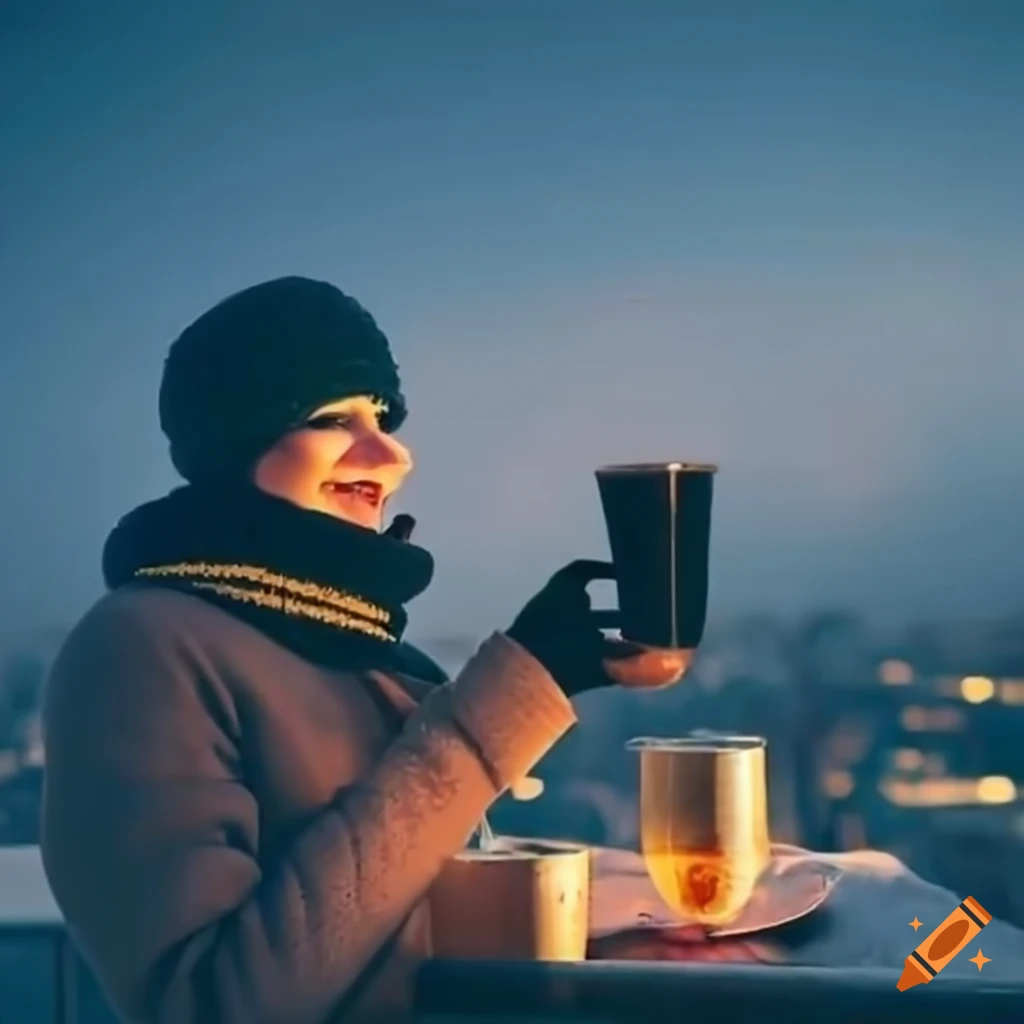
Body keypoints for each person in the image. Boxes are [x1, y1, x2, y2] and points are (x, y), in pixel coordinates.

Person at [40, 277, 686, 1024]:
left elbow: (405, 919)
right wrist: (491, 711)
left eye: (383, 415)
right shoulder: (141, 649)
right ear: (236, 441)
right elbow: (210, 1004)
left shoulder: (361, 648)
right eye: (331, 417)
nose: (391, 454)